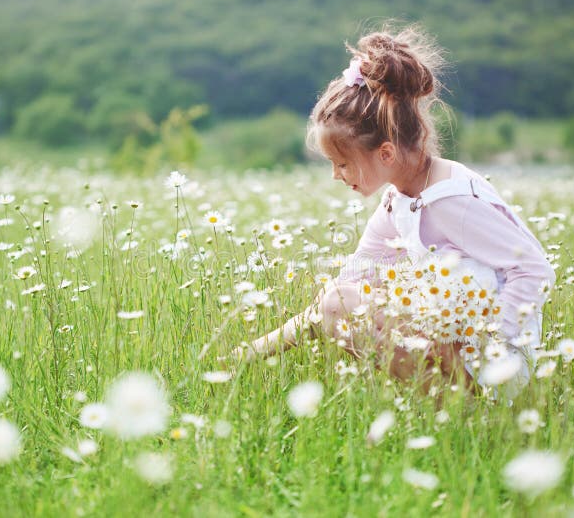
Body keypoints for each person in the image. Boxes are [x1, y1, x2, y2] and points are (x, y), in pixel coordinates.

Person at [230, 22, 556, 393]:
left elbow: (533, 268)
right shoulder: (399, 199)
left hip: (495, 359)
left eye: (341, 163)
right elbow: (349, 283)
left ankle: (471, 411)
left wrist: (496, 347)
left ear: (385, 153)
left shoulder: (450, 200)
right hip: (460, 344)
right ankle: (456, 403)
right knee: (342, 301)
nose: (336, 176)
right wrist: (254, 351)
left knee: (346, 306)